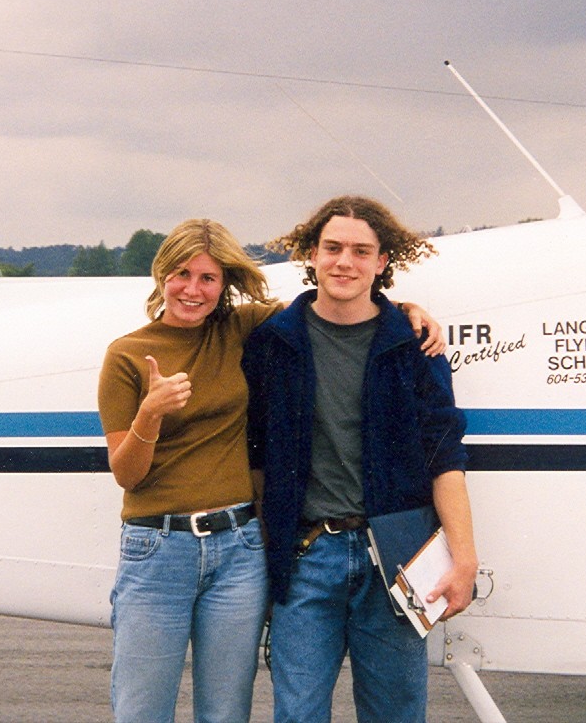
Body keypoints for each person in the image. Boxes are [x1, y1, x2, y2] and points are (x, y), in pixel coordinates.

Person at [98, 218, 445, 723]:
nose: (192, 290)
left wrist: (409, 314)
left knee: (226, 713)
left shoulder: (242, 328)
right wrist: (149, 413)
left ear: (225, 285)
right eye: (180, 275)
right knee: (141, 710)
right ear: (160, 276)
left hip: (238, 548)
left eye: (208, 279)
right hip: (158, 549)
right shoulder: (126, 355)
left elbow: (337, 307)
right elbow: (126, 475)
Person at [242, 196, 477, 723]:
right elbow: (256, 455)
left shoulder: (413, 343)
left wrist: (465, 559)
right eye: (332, 248)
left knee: (396, 715)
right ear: (312, 254)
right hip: (305, 559)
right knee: (297, 714)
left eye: (360, 251)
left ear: (382, 262)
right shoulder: (272, 343)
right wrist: (270, 544)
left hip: (393, 560)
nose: (344, 261)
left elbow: (445, 456)